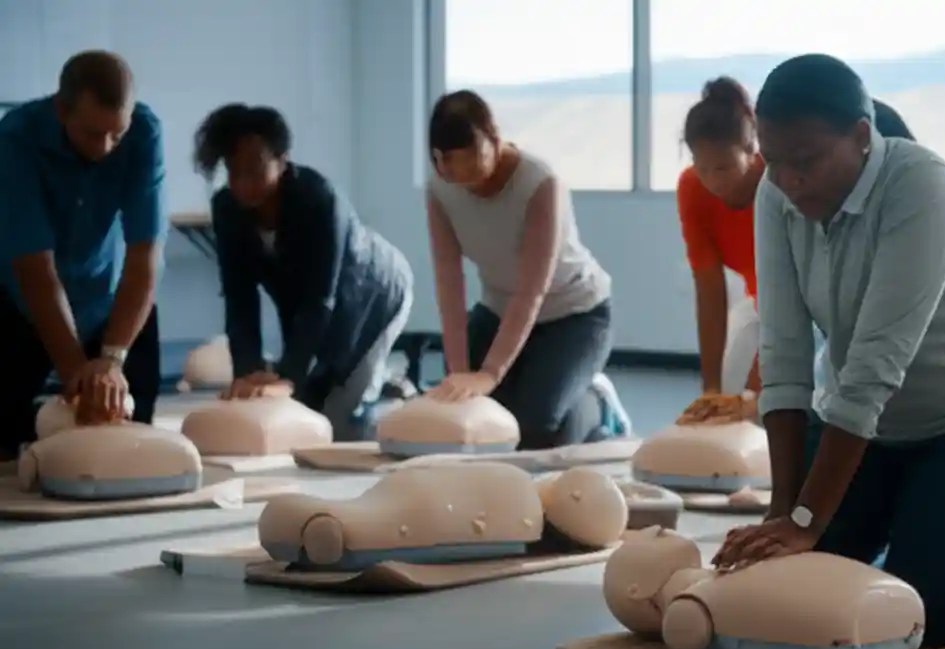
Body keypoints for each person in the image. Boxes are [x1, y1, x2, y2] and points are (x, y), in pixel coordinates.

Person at [710, 54, 945, 649]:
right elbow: (783, 353)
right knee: (800, 583)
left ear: (862, 137)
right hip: (867, 437)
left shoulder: (920, 184)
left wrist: (806, 519)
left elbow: (872, 370)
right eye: (772, 161)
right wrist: (783, 514)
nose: (788, 181)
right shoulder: (776, 194)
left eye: (805, 161)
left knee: (935, 608)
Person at [675, 76, 915, 423]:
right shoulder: (694, 189)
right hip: (763, 304)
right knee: (732, 397)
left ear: (752, 151)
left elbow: (801, 302)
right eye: (703, 168)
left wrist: (761, 393)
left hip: (811, 304)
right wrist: (710, 388)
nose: (713, 181)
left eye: (724, 168)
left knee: (775, 400)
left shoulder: (781, 186)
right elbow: (710, 290)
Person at [425, 90, 631, 450]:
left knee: (535, 426)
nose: (471, 185)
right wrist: (460, 373)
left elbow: (531, 290)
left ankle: (595, 403)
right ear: (439, 161)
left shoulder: (540, 184)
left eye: (476, 166)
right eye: (455, 172)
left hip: (573, 314)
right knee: (465, 406)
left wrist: (490, 373)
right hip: (499, 310)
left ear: (494, 138)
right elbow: (449, 280)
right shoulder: (441, 188)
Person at [195, 104, 414, 441]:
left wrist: (288, 379)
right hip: (312, 308)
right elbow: (239, 299)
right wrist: (248, 375)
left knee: (336, 422)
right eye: (233, 171)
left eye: (254, 170)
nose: (242, 183)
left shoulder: (319, 198)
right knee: (301, 405)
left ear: (282, 160)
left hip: (375, 296)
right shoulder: (227, 209)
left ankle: (394, 397)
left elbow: (320, 299)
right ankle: (375, 384)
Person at [0, 51, 166, 460]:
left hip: (107, 300)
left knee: (134, 440)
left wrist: (111, 361)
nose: (106, 147)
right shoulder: (16, 139)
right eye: (94, 134)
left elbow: (145, 256)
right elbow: (35, 269)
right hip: (24, 304)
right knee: (8, 441)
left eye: (117, 134)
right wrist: (77, 374)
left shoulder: (144, 132)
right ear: (62, 110)